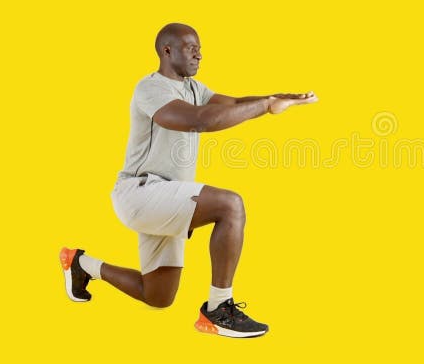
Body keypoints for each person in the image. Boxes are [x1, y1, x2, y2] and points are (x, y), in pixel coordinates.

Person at [59, 23, 317, 338]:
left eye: (200, 48)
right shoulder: (150, 88)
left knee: (157, 296)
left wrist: (274, 100)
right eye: (190, 47)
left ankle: (81, 264)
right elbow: (197, 121)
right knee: (230, 205)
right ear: (167, 51)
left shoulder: (195, 89)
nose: (199, 54)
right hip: (140, 193)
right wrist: (264, 106)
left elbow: (232, 105)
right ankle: (218, 309)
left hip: (167, 196)